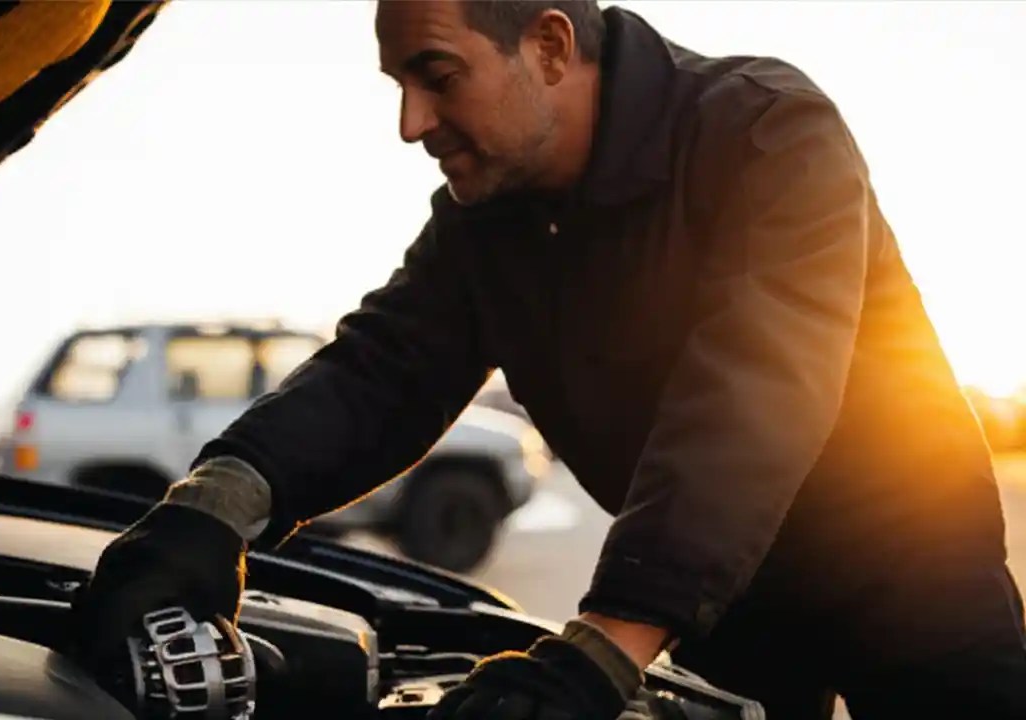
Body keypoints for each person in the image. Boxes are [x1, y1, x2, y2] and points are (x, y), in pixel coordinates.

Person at [72, 2, 1026, 718]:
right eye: (398, 84)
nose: (411, 122)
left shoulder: (767, 131)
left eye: (437, 75)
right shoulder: (488, 220)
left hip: (909, 576)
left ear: (552, 46)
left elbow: (755, 394)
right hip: (720, 607)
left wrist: (602, 651)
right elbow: (382, 370)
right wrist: (205, 514)